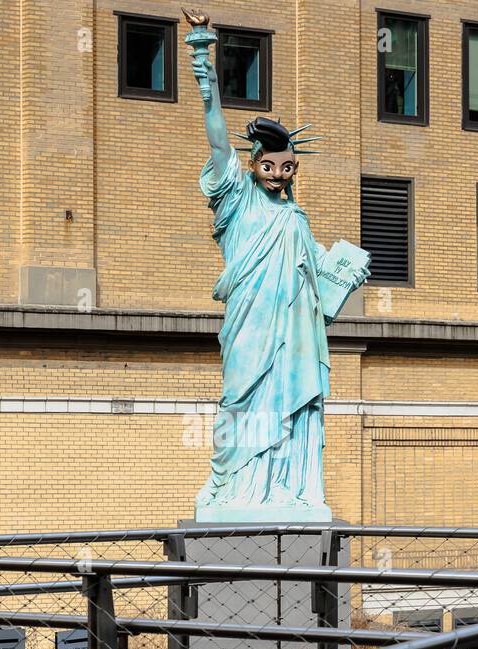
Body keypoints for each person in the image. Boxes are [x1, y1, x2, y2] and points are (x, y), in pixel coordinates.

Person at [183, 8, 368, 521]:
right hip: (248, 325)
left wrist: (340, 277)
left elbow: (315, 284)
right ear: (253, 164)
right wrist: (202, 54)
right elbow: (217, 132)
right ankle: (228, 489)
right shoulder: (236, 199)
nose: (279, 175)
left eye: (288, 168)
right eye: (269, 165)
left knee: (294, 406)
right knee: (239, 401)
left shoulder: (296, 216)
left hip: (293, 333)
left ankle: (287, 489)